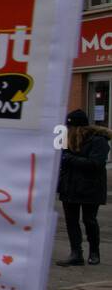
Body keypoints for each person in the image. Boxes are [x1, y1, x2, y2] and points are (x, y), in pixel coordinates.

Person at [56, 108, 109, 267]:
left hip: (90, 188)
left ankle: (94, 252)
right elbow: (60, 160)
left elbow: (95, 164)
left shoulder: (98, 141)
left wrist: (69, 158)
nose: (68, 130)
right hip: (70, 187)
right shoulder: (67, 140)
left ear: (79, 127)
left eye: (70, 127)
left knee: (89, 220)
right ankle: (76, 253)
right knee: (71, 221)